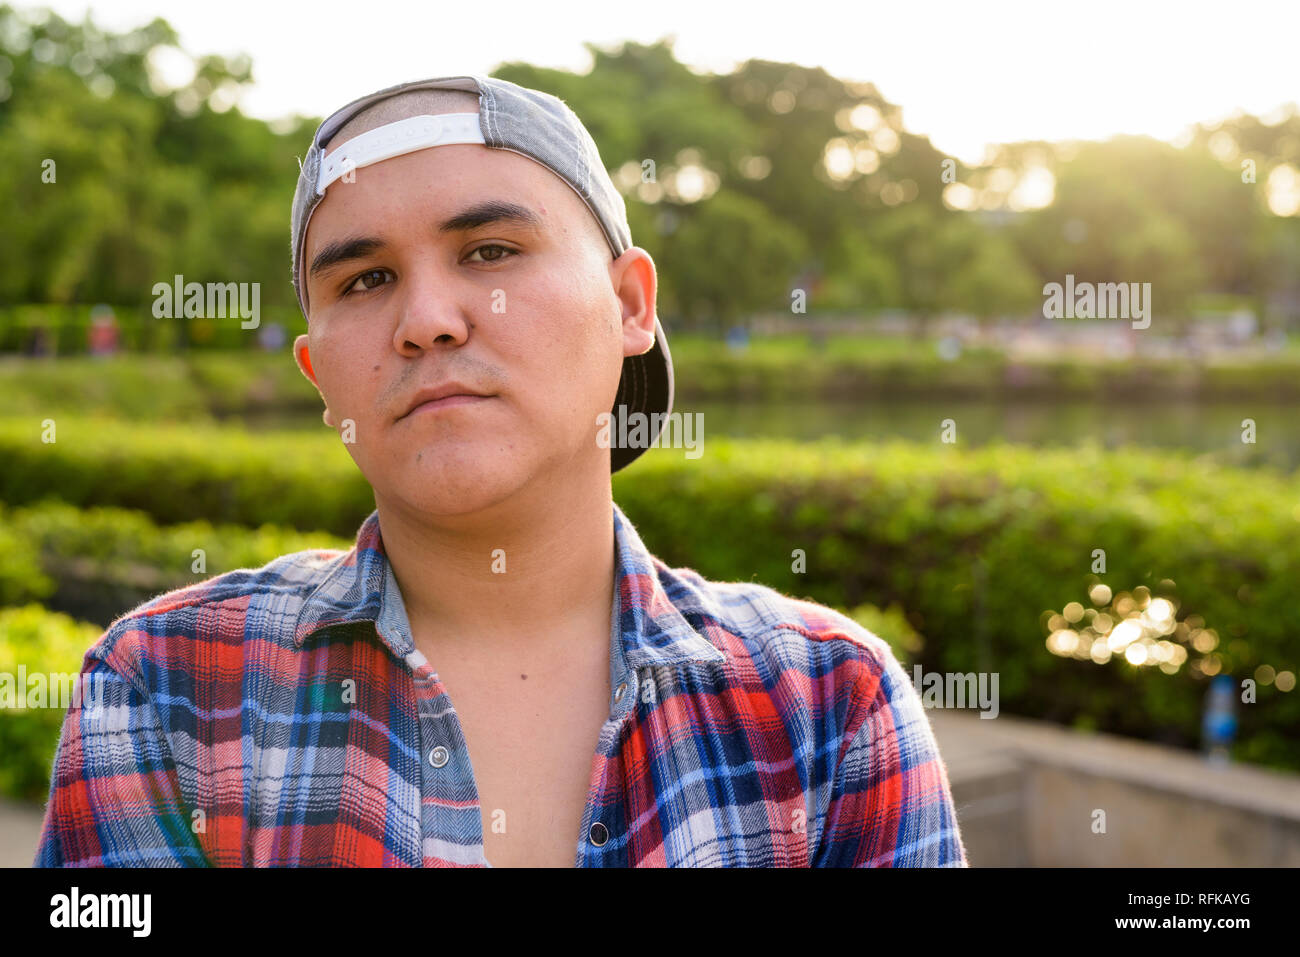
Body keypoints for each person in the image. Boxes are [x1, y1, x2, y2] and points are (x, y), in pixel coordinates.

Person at [34, 74, 966, 867]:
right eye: (364, 279)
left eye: (490, 251)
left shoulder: (827, 705)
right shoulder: (167, 689)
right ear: (319, 374)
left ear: (629, 303)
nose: (428, 318)